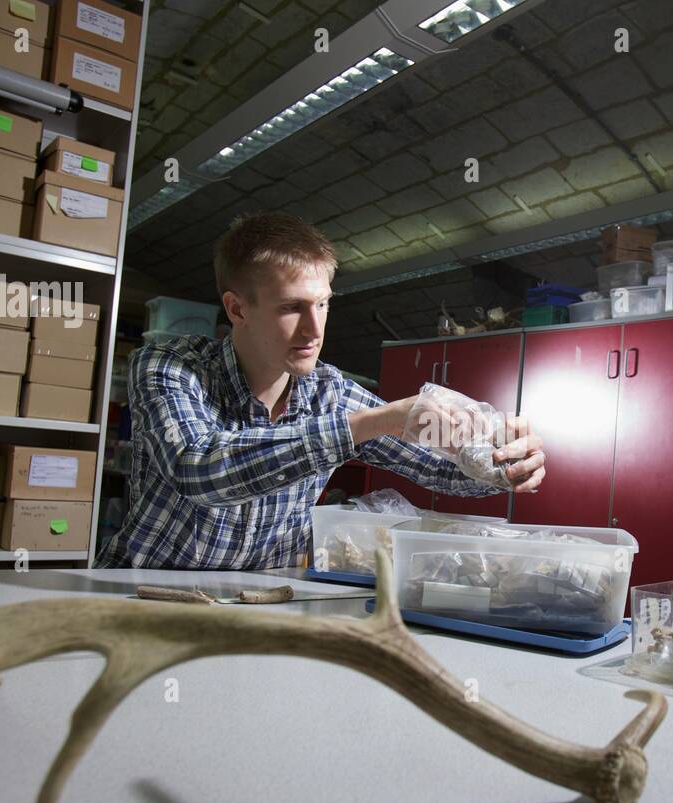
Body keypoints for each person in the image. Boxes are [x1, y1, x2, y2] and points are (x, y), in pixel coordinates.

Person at [96, 211, 546, 570]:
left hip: (261, 604)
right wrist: (379, 420)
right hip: (142, 590)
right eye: (292, 307)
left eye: (323, 304)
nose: (314, 329)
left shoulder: (330, 392)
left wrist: (501, 463)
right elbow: (198, 469)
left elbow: (440, 472)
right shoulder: (168, 366)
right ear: (237, 308)